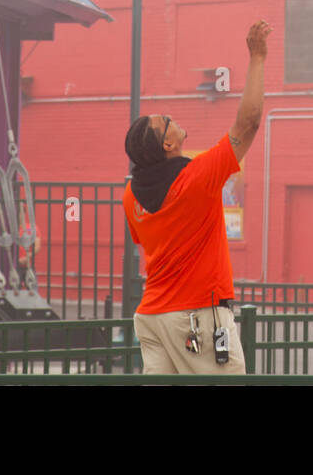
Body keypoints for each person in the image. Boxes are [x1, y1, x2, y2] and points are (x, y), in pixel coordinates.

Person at [122, 20, 271, 374]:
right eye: (166, 121)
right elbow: (249, 122)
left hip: (151, 318)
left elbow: (147, 241)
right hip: (197, 316)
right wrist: (258, 57)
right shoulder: (197, 178)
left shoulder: (131, 194)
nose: (172, 119)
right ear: (168, 145)